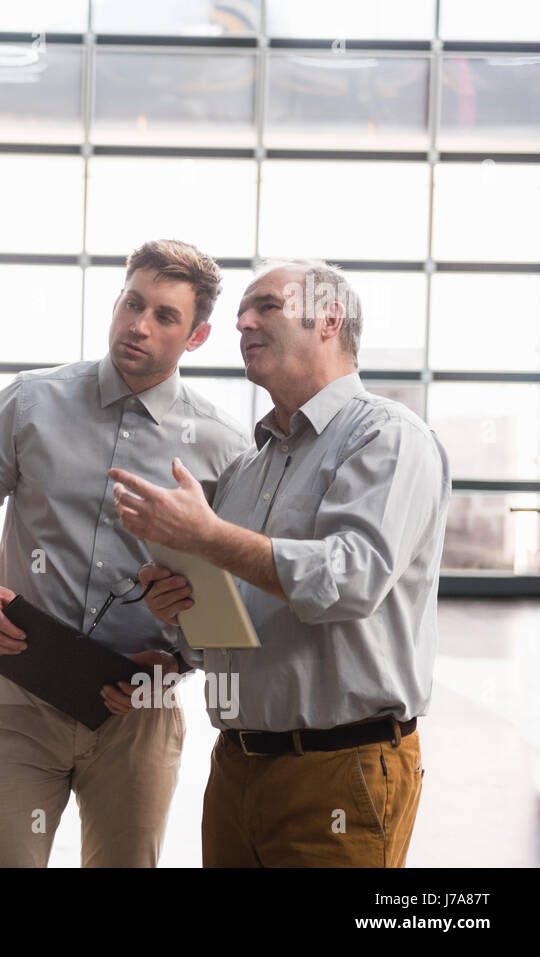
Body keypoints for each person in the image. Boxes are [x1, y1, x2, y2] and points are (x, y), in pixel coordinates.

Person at [106, 259, 450, 867]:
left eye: (266, 306)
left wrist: (209, 537)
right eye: (242, 311)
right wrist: (182, 620)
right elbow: (237, 625)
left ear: (330, 319)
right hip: (237, 764)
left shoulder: (388, 438)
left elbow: (351, 579)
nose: (242, 322)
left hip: (341, 770)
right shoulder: (248, 469)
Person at [0, 239, 250, 867]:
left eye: (165, 315)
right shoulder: (30, 402)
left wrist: (179, 664)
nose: (139, 325)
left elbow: (227, 597)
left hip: (139, 707)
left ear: (198, 336)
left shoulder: (224, 449)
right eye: (133, 303)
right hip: (19, 689)